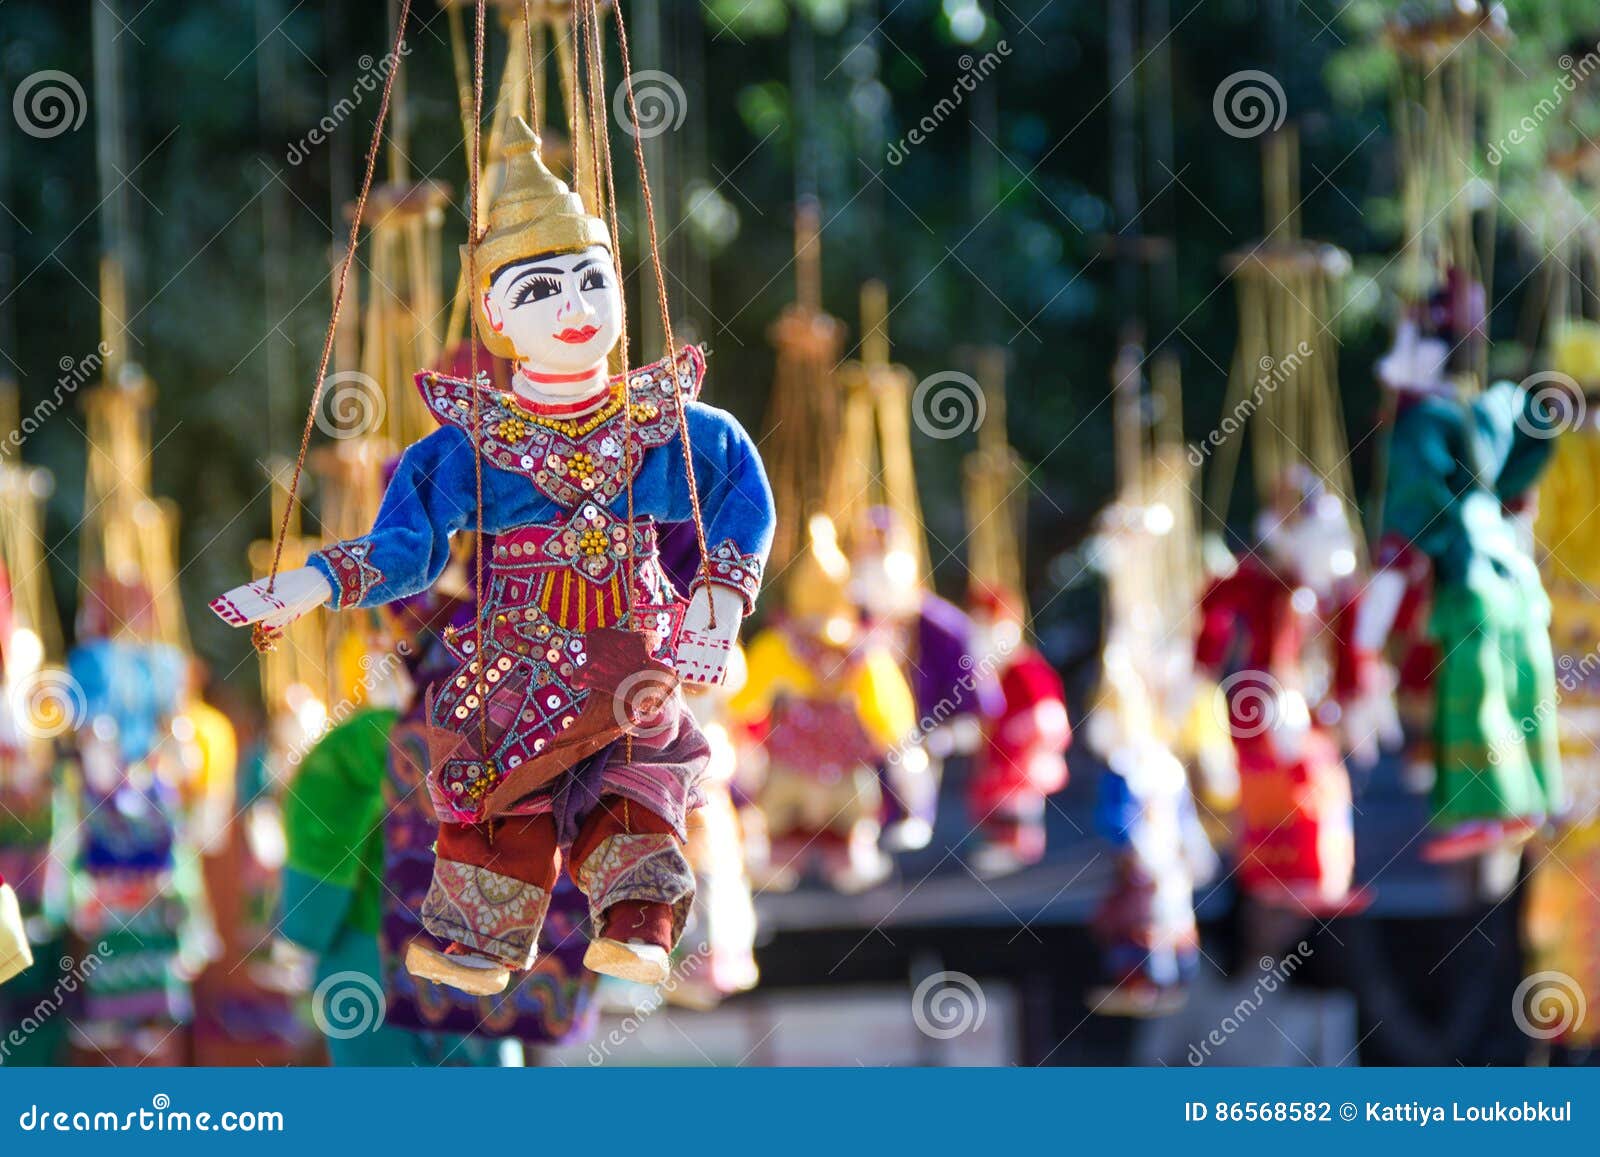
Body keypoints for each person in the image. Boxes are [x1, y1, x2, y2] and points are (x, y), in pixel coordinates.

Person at [211, 118, 775, 995]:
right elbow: (408, 548)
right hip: (519, 654)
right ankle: (481, 936)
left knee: (639, 772)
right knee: (485, 776)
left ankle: (639, 920)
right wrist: (313, 580)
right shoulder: (469, 450)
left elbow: (740, 495)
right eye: (545, 290)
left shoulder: (673, 428)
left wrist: (720, 605)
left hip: (636, 641)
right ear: (498, 315)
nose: (578, 309)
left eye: (593, 282)